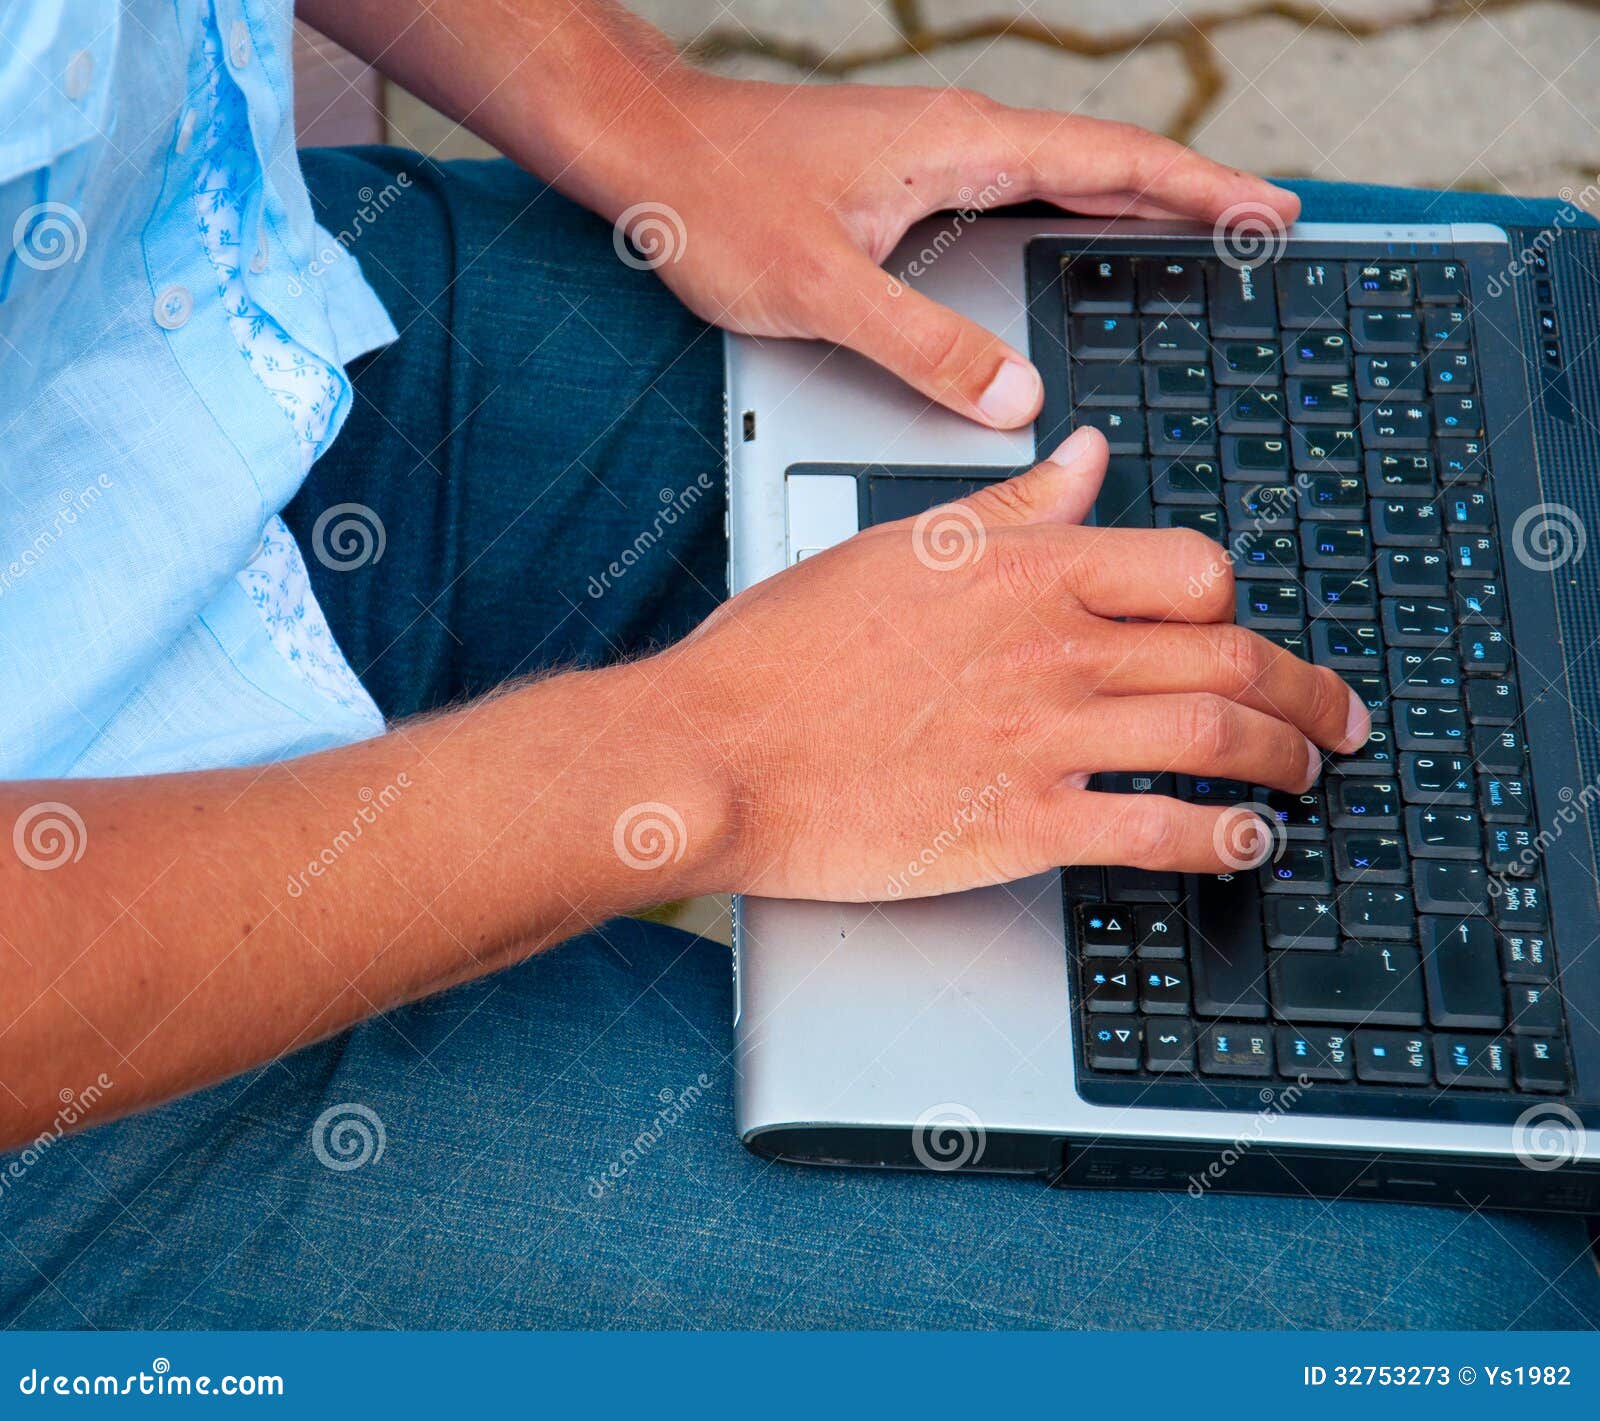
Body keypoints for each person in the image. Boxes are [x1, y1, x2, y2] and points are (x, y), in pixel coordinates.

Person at [0, 0, 1595, 1329]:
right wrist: (716, 756)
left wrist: (648, 112)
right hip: (66, 1027)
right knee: (1451, 1312)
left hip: (207, 344)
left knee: (1520, 337)